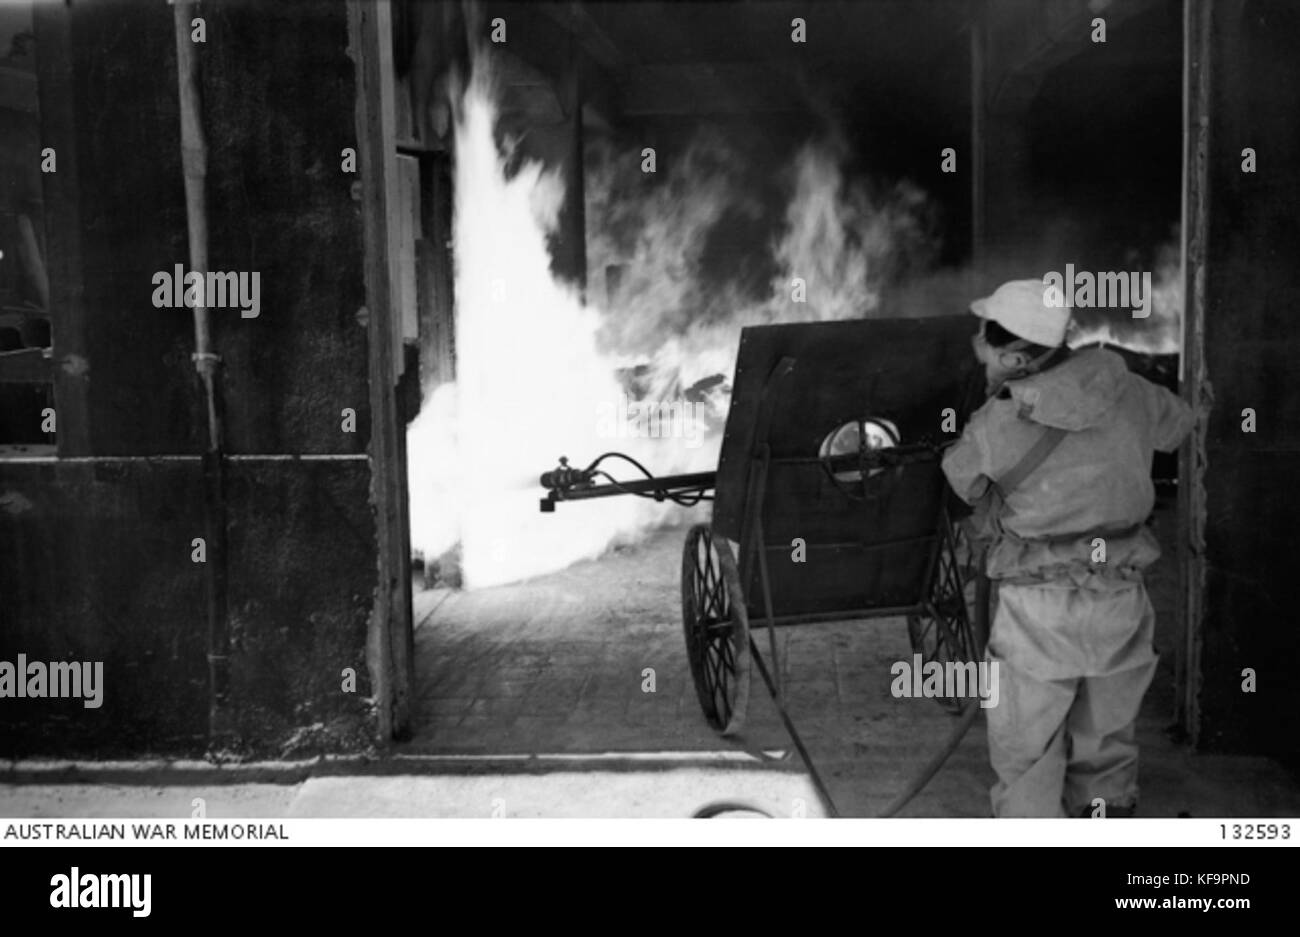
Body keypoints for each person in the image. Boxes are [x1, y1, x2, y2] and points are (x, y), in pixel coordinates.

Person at [941, 278, 1196, 818]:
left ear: (1012, 357)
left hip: (1039, 608)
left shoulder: (998, 422)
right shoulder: (1126, 386)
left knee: (1027, 747)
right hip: (1120, 595)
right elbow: (1179, 424)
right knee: (1107, 734)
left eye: (984, 343)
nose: (978, 350)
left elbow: (963, 481)